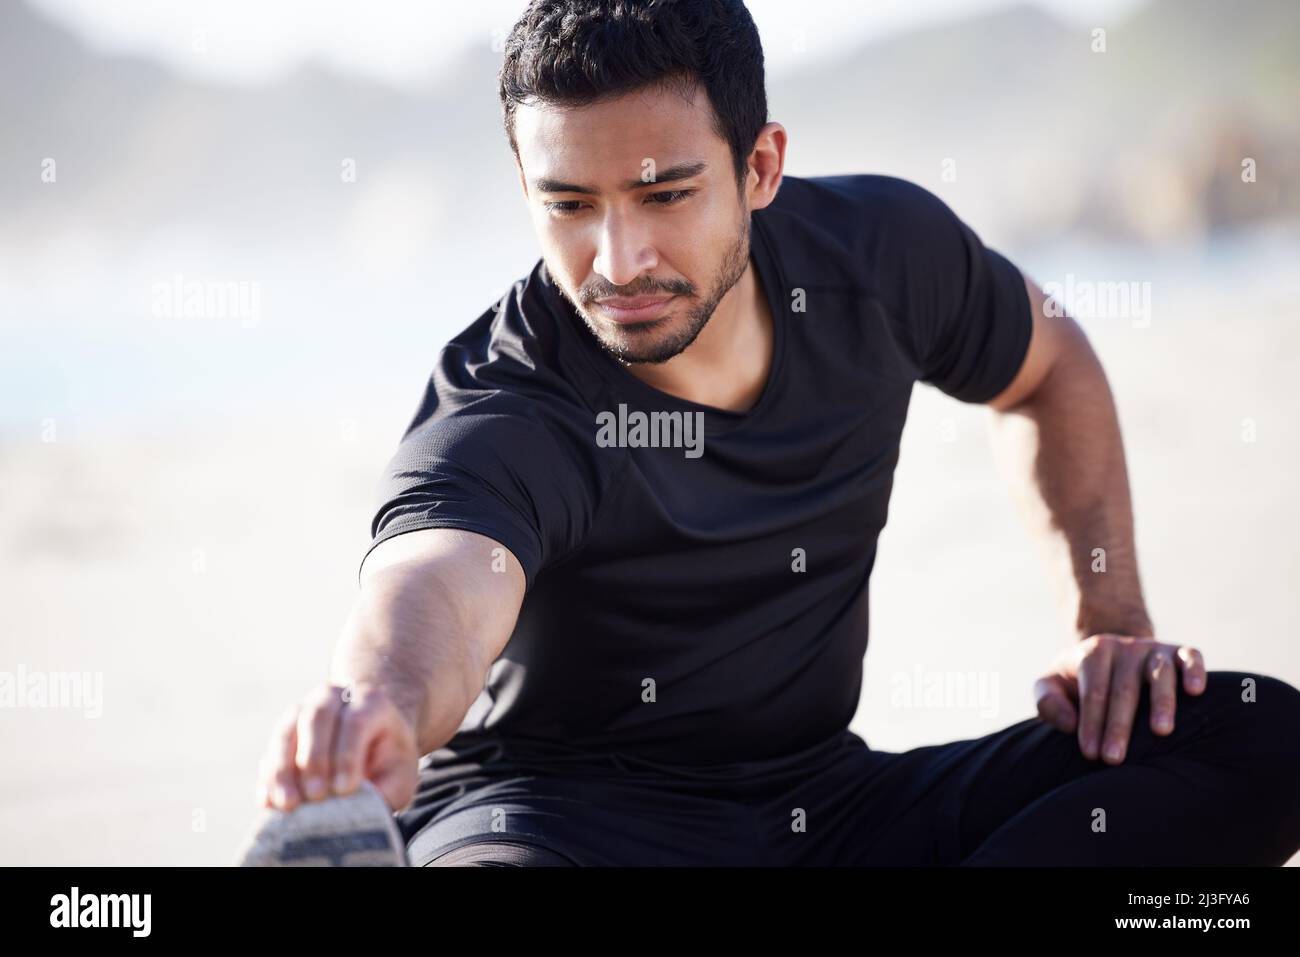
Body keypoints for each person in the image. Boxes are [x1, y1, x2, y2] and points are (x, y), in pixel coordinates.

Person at [243, 0, 1300, 867]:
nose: (616, 260)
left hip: (825, 813)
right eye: (569, 205)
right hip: (555, 826)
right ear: (525, 187)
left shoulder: (877, 259)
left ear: (758, 165)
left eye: (664, 192)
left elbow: (1049, 365)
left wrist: (1106, 615)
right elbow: (436, 585)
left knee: (1252, 737)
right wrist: (374, 707)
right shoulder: (506, 403)